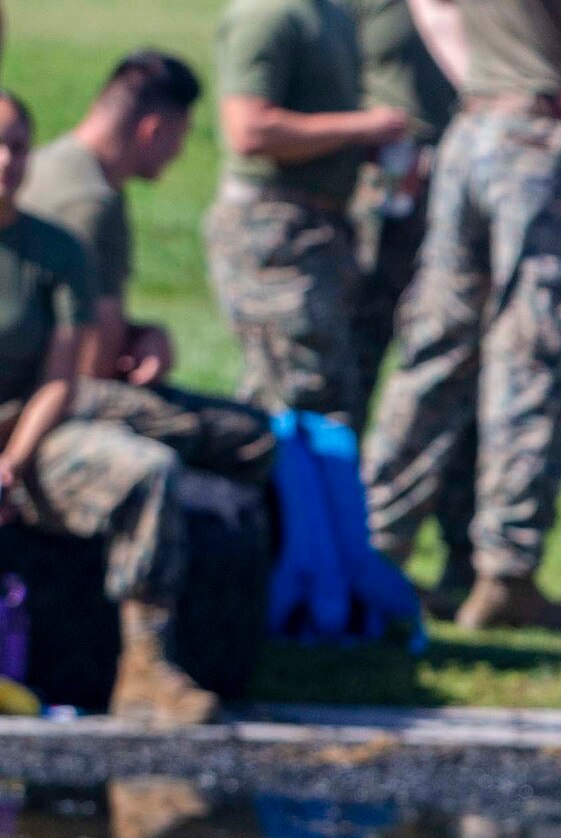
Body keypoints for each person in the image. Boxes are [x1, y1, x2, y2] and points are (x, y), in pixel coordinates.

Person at [363, 0, 561, 635]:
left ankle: (375, 543)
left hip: (471, 132)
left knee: (433, 352)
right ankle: (506, 575)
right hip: (544, 137)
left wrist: (480, 80)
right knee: (537, 353)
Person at [0, 92, 226, 724]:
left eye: (17, 146)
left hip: (30, 436)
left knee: (148, 470)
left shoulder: (57, 251)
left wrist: (12, 465)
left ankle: (147, 668)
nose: (4, 161)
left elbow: (59, 380)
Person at [20, 51, 278, 497]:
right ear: (152, 130)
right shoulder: (93, 202)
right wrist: (142, 350)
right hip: (53, 395)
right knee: (250, 434)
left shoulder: (49, 165)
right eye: (180, 136)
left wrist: (141, 333)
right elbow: (94, 358)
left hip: (31, 374)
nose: (179, 152)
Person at [206, 0, 413, 420]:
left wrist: (369, 146)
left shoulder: (334, 16)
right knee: (297, 391)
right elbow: (249, 130)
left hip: (326, 227)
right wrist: (364, 127)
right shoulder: (268, 15)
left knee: (331, 391)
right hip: (272, 225)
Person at [348, 0, 477, 617]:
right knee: (357, 370)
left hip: (464, 183)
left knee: (459, 377)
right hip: (386, 188)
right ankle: (347, 548)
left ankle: (465, 558)